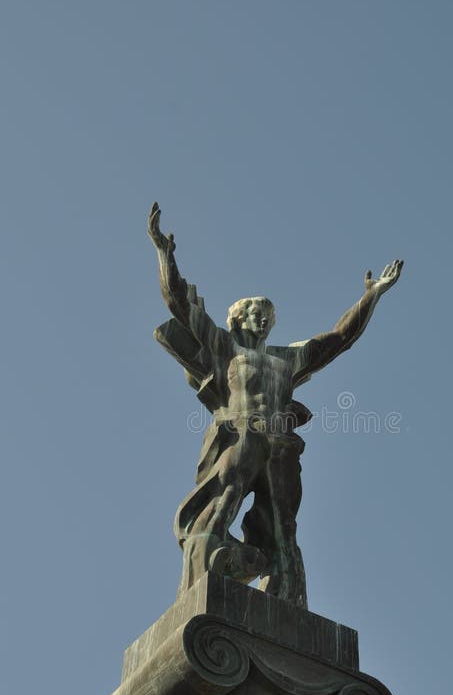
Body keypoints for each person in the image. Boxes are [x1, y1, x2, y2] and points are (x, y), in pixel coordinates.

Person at [148, 202, 403, 608]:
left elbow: (338, 339)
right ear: (236, 319)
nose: (262, 319)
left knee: (285, 527)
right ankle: (201, 580)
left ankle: (288, 599)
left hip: (281, 445)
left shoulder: (288, 358)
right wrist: (165, 253)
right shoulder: (224, 348)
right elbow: (180, 304)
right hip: (242, 435)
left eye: (267, 314)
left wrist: (370, 296)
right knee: (224, 501)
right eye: (253, 312)